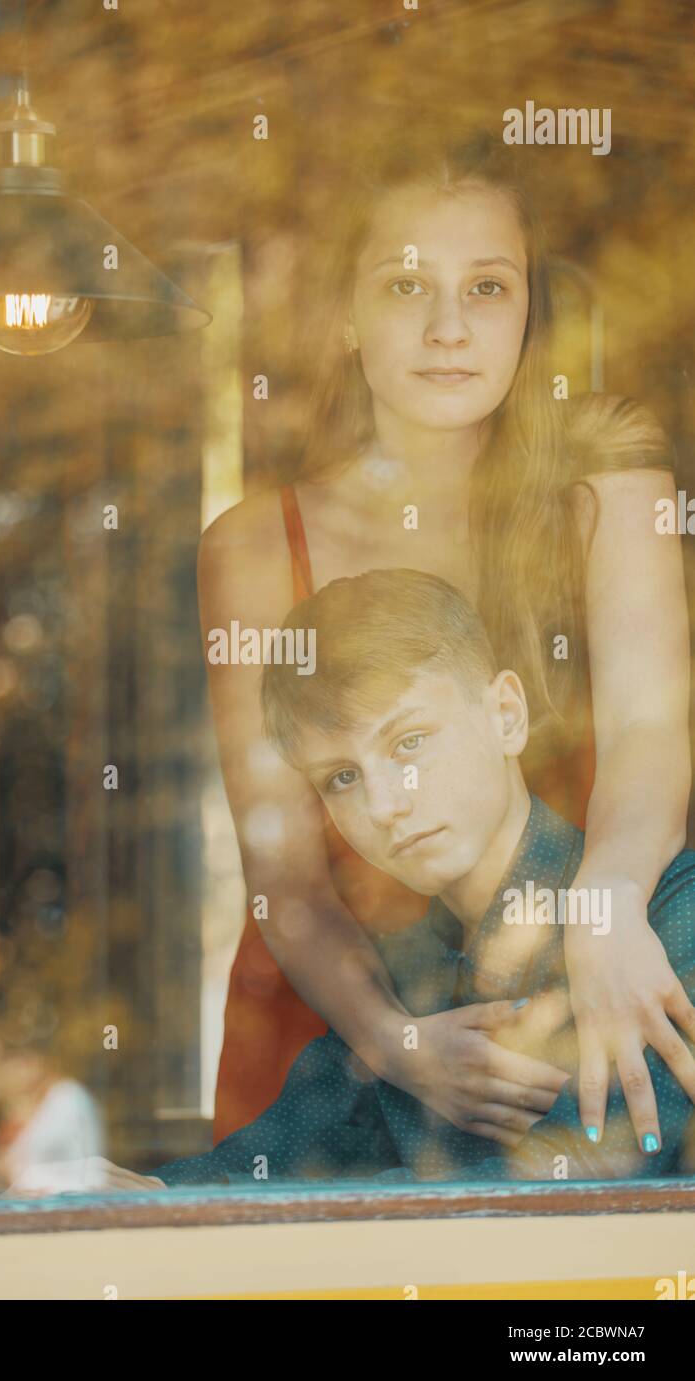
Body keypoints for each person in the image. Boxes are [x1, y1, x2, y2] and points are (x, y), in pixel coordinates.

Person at [201, 126, 691, 1147]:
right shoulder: (257, 545)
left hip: (597, 957)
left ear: (525, 312)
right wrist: (389, 1042)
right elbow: (281, 870)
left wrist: (603, 905)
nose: (446, 328)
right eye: (401, 286)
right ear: (343, 315)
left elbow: (650, 727)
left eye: (485, 288)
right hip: (346, 1012)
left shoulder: (606, 476)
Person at [136, 569, 695, 1189]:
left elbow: (557, 1198)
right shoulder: (398, 975)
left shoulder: (670, 923)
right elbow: (269, 1162)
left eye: (408, 742)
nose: (383, 806)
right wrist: (148, 1199)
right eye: (342, 778)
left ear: (506, 715)